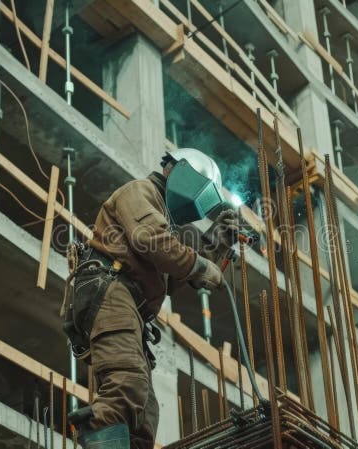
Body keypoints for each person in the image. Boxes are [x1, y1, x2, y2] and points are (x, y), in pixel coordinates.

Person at [63, 148, 238, 448]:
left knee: (144, 414)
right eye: (201, 191)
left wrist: (217, 243)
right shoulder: (141, 191)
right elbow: (150, 240)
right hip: (111, 292)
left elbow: (173, 275)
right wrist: (198, 264)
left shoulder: (163, 221)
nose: (198, 202)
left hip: (127, 303)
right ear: (176, 171)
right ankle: (95, 431)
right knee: (128, 383)